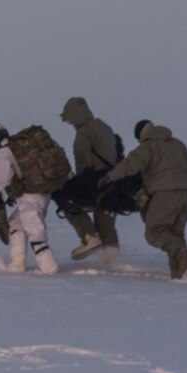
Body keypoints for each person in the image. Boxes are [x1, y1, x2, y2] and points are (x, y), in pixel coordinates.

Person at [103, 119, 187, 279]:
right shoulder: (178, 144)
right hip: (186, 193)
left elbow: (131, 165)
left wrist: (110, 177)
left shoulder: (148, 146)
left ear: (141, 135)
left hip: (165, 193)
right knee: (175, 234)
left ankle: (184, 256)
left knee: (154, 233)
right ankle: (180, 271)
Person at [0, 123, 59, 274]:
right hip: (45, 191)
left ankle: (49, 268)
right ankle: (18, 262)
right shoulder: (24, 144)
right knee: (16, 223)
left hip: (29, 194)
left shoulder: (4, 152)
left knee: (35, 231)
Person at [59, 96, 121, 261]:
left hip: (95, 180)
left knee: (64, 198)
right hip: (112, 180)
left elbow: (83, 165)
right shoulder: (105, 127)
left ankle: (89, 237)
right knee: (104, 213)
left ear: (75, 116)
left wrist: (74, 183)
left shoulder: (84, 133)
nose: (71, 124)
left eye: (70, 120)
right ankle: (113, 255)